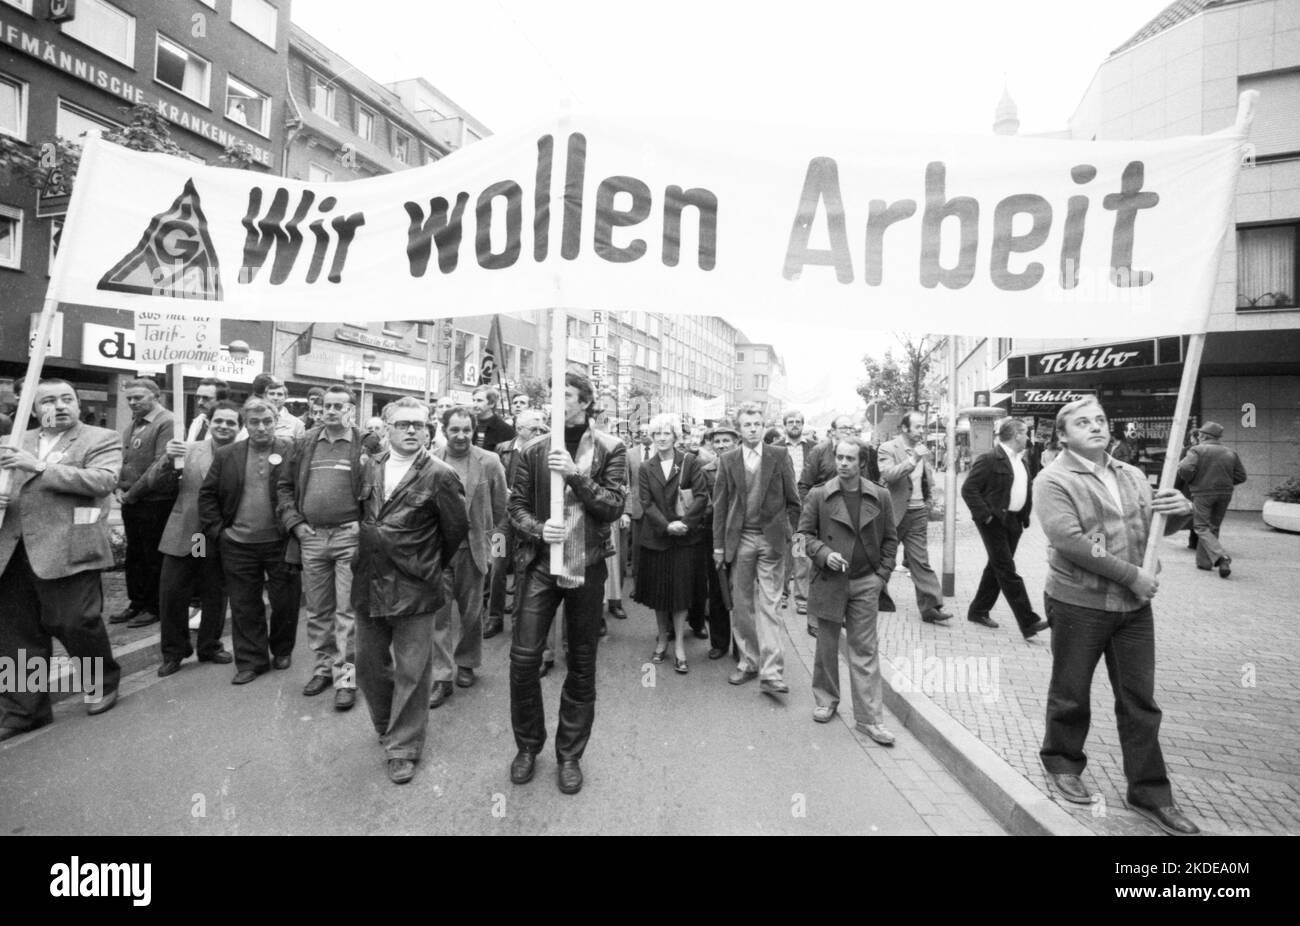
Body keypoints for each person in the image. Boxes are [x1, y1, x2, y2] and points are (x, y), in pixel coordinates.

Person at [1035, 397, 1200, 836]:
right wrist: (1133, 576)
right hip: (1078, 603)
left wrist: (1182, 512)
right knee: (1071, 691)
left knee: (1139, 701)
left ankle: (1150, 793)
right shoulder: (1053, 479)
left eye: (1101, 420)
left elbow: (1152, 530)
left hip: (1133, 608)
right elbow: (1070, 541)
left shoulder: (1131, 475)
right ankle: (1062, 763)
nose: (1095, 427)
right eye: (1083, 422)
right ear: (1063, 435)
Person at [506, 371, 626, 795]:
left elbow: (612, 507)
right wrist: (539, 530)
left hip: (588, 565)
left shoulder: (612, 447)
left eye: (568, 395)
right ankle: (527, 746)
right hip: (541, 565)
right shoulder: (534, 449)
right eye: (555, 394)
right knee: (523, 660)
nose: (559, 401)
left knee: (581, 664)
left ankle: (570, 754)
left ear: (586, 402)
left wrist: (575, 474)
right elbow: (515, 507)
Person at [353, 397, 468, 784]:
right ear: (386, 428)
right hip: (369, 581)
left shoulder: (441, 474)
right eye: (402, 424)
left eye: (419, 425)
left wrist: (424, 565)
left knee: (413, 671)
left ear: (428, 429)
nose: (411, 431)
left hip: (415, 586)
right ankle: (388, 725)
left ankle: (403, 746)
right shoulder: (371, 467)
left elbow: (454, 532)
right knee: (367, 664)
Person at [0, 380, 124, 739]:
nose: (60, 405)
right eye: (49, 400)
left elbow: (102, 482)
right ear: (34, 409)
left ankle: (100, 682)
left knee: (75, 622)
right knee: (14, 635)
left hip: (70, 548)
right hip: (12, 550)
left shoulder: (99, 439)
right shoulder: (11, 443)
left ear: (78, 403)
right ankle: (24, 710)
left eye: (67, 398)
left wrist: (37, 466)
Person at [798, 436, 899, 745]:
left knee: (865, 650)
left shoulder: (880, 496)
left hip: (866, 582)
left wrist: (881, 575)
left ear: (861, 463)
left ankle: (870, 720)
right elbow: (799, 539)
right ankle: (826, 700)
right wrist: (824, 554)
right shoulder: (818, 495)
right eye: (839, 457)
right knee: (826, 647)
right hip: (829, 582)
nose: (843, 463)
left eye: (850, 459)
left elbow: (891, 541)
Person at [276, 385, 364, 711]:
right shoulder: (304, 443)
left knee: (346, 613)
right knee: (317, 611)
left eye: (338, 406)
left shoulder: (363, 443)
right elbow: (284, 487)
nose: (331, 411)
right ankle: (323, 668)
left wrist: (363, 522)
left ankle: (345, 680)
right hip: (311, 539)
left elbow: (376, 487)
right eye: (327, 405)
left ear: (350, 410)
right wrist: (296, 524)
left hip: (347, 539)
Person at [199, 397, 297, 685]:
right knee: (244, 604)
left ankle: (281, 649)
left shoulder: (291, 451)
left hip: (280, 542)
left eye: (267, 421)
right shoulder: (228, 454)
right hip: (238, 543)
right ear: (246, 425)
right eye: (254, 422)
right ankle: (251, 661)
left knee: (285, 601)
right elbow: (207, 495)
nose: (261, 427)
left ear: (276, 421)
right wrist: (219, 532)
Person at [712, 402, 801, 694]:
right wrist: (718, 547)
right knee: (741, 605)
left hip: (771, 540)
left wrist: (788, 535)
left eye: (757, 424)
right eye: (747, 424)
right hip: (740, 541)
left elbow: (793, 500)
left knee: (770, 605)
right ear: (739, 429)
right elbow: (720, 506)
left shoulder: (779, 455)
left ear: (763, 426)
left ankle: (772, 672)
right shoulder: (728, 459)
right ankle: (749, 661)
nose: (753, 429)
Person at [149, 400, 242, 676]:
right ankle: (174, 652)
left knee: (214, 593)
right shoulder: (185, 451)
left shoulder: (242, 456)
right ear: (209, 423)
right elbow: (156, 483)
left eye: (231, 422)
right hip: (186, 534)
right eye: (219, 421)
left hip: (215, 539)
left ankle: (210, 645)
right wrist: (168, 459)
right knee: (173, 594)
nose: (224, 426)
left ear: (239, 427)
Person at [428, 406, 507, 707]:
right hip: (438, 552)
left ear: (474, 431)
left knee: (472, 614)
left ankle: (466, 663)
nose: (461, 436)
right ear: (444, 430)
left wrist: (487, 542)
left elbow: (500, 507)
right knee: (439, 616)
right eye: (454, 430)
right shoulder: (431, 459)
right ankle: (441, 676)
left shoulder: (489, 461)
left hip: (473, 550)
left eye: (466, 430)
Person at [960, 417, 1050, 638]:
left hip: (1014, 522)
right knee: (1007, 571)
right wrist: (986, 516)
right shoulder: (990, 459)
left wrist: (1024, 517)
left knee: (997, 568)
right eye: (1026, 433)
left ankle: (978, 610)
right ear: (1016, 435)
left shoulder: (1021, 460)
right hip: (994, 523)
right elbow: (969, 489)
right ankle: (1028, 622)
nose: (1028, 437)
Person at [634, 413, 708, 673]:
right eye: (657, 434)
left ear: (676, 436)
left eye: (667, 433)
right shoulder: (646, 467)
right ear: (652, 437)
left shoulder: (690, 462)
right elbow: (646, 502)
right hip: (656, 538)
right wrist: (666, 526)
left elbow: (701, 497)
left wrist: (684, 523)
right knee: (658, 594)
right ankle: (662, 639)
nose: (662, 438)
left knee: (680, 593)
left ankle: (679, 646)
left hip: (685, 539)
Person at [876, 412, 954, 625]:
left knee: (920, 560)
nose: (922, 431)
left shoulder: (922, 451)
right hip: (894, 512)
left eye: (923, 427)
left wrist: (928, 503)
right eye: (918, 427)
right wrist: (913, 459)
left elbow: (926, 480)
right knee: (885, 558)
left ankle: (931, 607)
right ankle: (874, 595)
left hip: (917, 513)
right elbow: (888, 475)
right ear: (905, 428)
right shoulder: (888, 449)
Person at [113, 377, 175, 629]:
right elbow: (123, 460)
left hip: (154, 501)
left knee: (152, 556)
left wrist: (133, 493)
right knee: (134, 554)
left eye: (138, 397)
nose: (132, 402)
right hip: (131, 500)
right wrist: (118, 488)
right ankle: (136, 602)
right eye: (129, 398)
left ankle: (153, 607)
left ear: (155, 397)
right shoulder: (133, 425)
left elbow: (160, 466)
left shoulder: (166, 422)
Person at [487, 409, 547, 640]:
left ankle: (519, 621)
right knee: (498, 565)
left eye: (542, 426)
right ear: (520, 429)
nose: (540, 430)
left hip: (526, 519)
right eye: (534, 427)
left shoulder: (543, 450)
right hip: (503, 519)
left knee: (524, 567)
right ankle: (494, 617)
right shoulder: (503, 449)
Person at [1177, 422, 1247, 578]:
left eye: (1200, 434)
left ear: (1203, 435)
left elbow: (1185, 468)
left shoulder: (1197, 450)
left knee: (1201, 527)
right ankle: (1204, 562)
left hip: (1203, 493)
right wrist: (1225, 483)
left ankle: (1222, 557)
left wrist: (1193, 480)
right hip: (1225, 493)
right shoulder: (1230, 452)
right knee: (1213, 527)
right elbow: (1241, 476)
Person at [696, 421, 737, 659]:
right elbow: (704, 504)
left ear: (736, 442)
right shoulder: (706, 470)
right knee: (718, 589)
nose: (721, 445)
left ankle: (743, 646)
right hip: (714, 536)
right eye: (717, 441)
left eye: (726, 440)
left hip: (741, 536)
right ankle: (720, 642)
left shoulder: (745, 467)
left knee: (741, 591)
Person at [775, 410, 816, 622]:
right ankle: (781, 593)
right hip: (781, 508)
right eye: (790, 422)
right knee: (783, 552)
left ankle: (802, 597)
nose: (794, 425)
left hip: (803, 509)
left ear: (803, 425)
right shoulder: (775, 448)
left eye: (798, 422)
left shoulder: (812, 448)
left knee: (800, 552)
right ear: (784, 425)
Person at [472, 385, 516, 454]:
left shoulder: (505, 430)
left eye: (479, 401)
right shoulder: (469, 424)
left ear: (492, 403)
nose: (474, 404)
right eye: (473, 400)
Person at [187, 377, 229, 441]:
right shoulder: (198, 421)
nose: (199, 402)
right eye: (198, 397)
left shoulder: (232, 427)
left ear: (221, 400)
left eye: (206, 398)